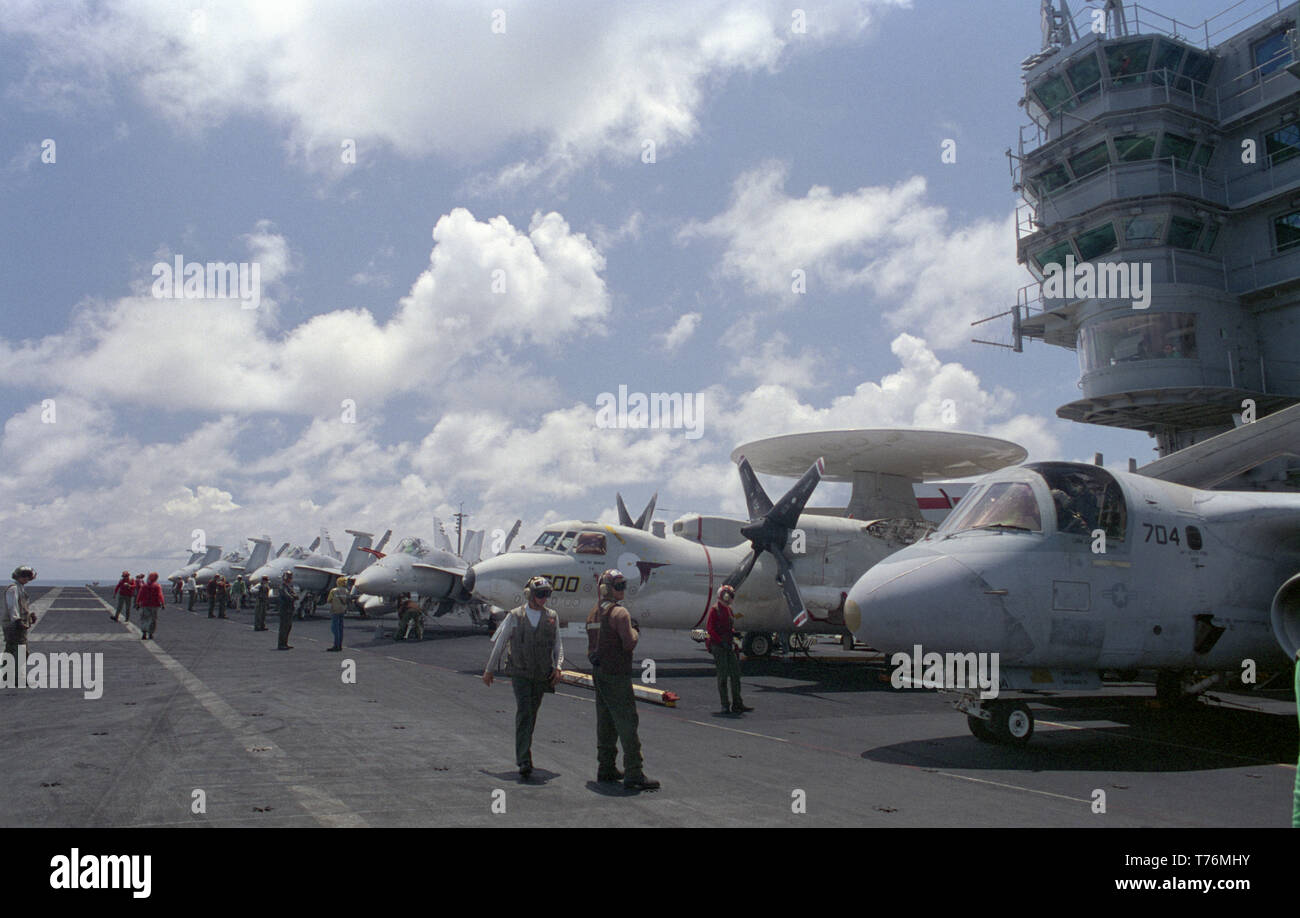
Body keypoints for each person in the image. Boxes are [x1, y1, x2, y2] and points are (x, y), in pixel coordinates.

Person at [482, 576, 564, 780]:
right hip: (520, 673)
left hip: (541, 674)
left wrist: (559, 667)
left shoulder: (552, 616)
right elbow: (500, 643)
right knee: (525, 712)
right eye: (540, 594)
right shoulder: (515, 616)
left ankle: (525, 754)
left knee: (531, 714)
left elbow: (558, 645)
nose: (544, 598)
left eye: (547, 594)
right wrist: (489, 669)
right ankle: (524, 760)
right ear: (529, 595)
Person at [585, 569, 658, 791]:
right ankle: (634, 772)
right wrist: (635, 630)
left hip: (599, 673)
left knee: (605, 721)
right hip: (617, 674)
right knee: (627, 722)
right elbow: (629, 643)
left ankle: (606, 768)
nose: (623, 590)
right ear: (608, 589)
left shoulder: (593, 613)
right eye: (619, 586)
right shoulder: (620, 614)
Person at [705, 584, 751, 714]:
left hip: (728, 645)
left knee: (736, 674)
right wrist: (720, 642)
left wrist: (734, 633)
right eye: (729, 595)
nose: (730, 598)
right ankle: (725, 705)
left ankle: (737, 703)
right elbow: (710, 630)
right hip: (719, 646)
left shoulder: (728, 610)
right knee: (723, 676)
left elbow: (728, 626)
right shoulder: (715, 610)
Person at [4, 566, 37, 662]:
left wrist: (29, 616)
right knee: (19, 653)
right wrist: (17, 621)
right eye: (23, 576)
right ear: (17, 576)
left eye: (28, 576)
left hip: (20, 627)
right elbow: (12, 607)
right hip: (14, 627)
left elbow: (21, 607)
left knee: (14, 652)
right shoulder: (13, 589)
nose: (26, 578)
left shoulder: (20, 588)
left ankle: (9, 675)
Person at [136, 572, 165, 640]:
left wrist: (137, 603)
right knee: (153, 619)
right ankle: (150, 634)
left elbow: (140, 595)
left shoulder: (144, 586)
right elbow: (160, 595)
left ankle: (144, 633)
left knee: (144, 619)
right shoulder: (157, 586)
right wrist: (163, 603)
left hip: (145, 605)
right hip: (154, 605)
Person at [326, 576, 348, 652]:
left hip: (335, 611)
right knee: (340, 628)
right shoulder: (346, 591)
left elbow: (328, 600)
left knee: (335, 629)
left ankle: (336, 645)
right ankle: (340, 645)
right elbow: (347, 600)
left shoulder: (334, 590)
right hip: (342, 611)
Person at [276, 573, 298, 650]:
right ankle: (281, 644)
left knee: (288, 627)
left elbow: (295, 595)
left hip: (289, 609)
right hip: (285, 609)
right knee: (284, 627)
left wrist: (293, 596)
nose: (290, 579)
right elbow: (287, 596)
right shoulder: (282, 587)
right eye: (289, 578)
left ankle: (285, 643)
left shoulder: (289, 586)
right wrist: (293, 597)